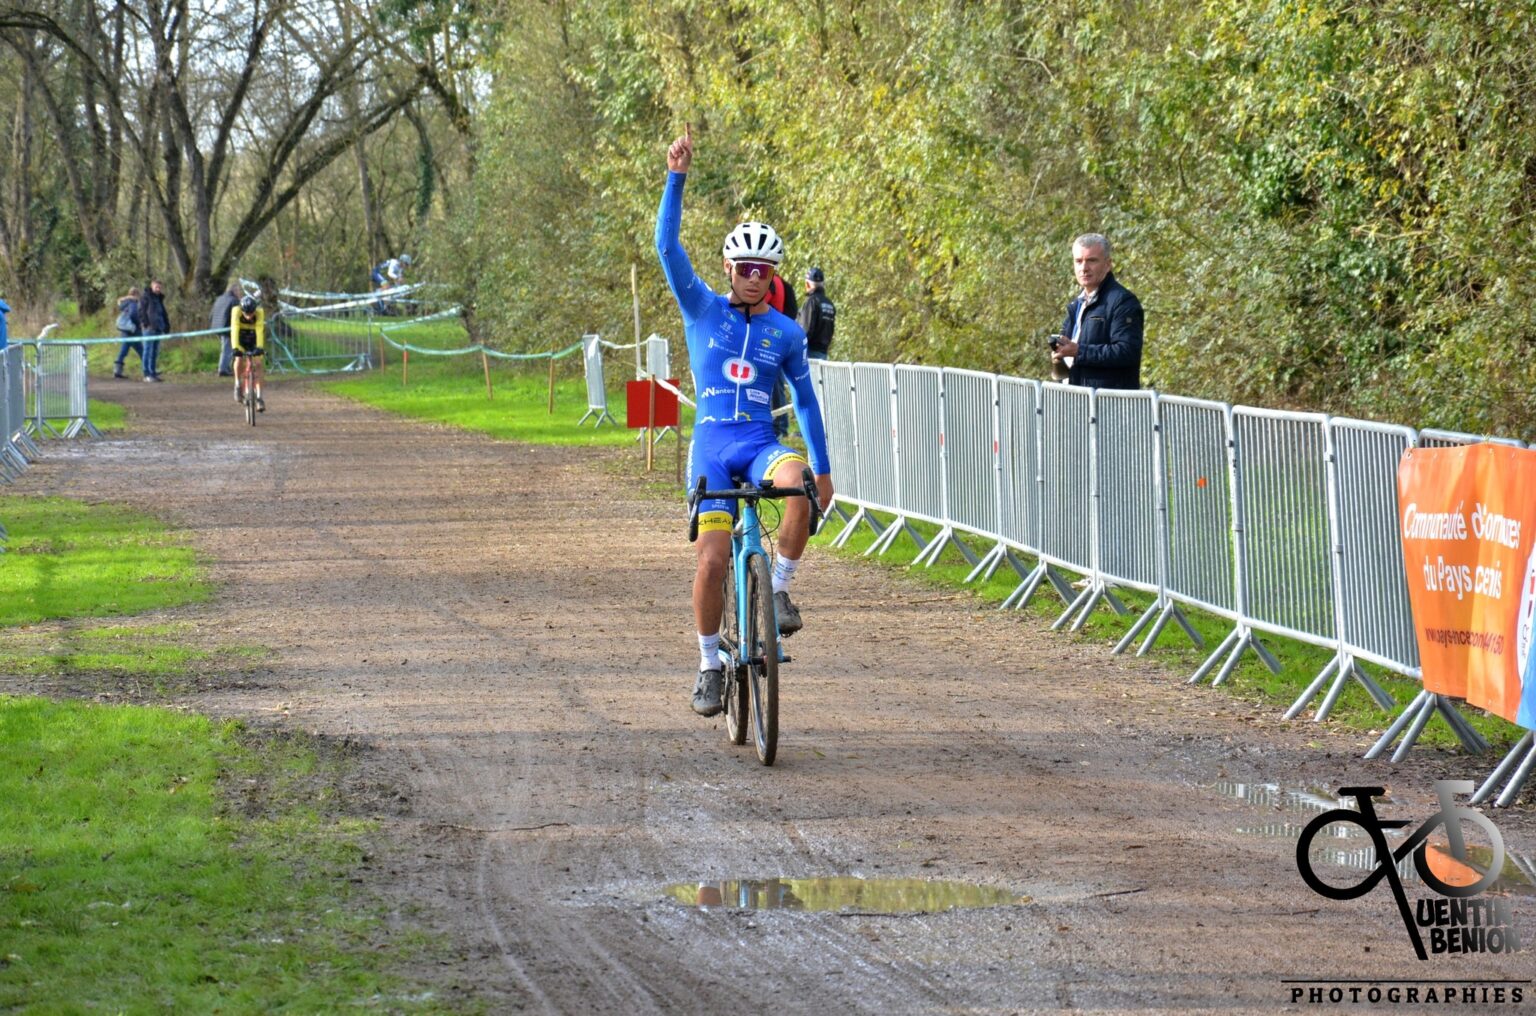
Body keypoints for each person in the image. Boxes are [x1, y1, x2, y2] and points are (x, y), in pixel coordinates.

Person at [656, 128, 834, 718]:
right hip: (712, 447)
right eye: (745, 266)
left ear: (773, 274)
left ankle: (777, 590)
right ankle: (709, 663)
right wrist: (676, 177)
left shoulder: (786, 332)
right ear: (728, 268)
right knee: (711, 560)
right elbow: (666, 247)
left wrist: (823, 469)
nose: (754, 276)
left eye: (764, 268)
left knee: (799, 485)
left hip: (759, 444)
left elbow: (805, 403)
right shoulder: (702, 308)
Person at [1052, 233, 1143, 390]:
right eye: (1078, 261)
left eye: (1092, 260)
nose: (1084, 268)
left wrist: (1078, 351)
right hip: (1075, 396)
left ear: (1108, 264)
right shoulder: (1076, 304)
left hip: (1109, 401)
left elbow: (1127, 352)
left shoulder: (1123, 301)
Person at [765, 271, 798, 437]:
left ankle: (779, 426)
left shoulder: (773, 282)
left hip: (772, 337)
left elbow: (759, 304)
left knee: (775, 383)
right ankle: (779, 425)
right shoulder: (779, 282)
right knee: (775, 382)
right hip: (777, 335)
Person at [229, 294, 266, 412]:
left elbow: (259, 330)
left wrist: (259, 347)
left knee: (258, 363)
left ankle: (259, 397)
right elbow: (234, 329)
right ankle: (237, 384)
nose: (249, 316)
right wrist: (235, 348)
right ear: (242, 310)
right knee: (239, 359)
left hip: (253, 339)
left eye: (251, 313)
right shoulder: (236, 311)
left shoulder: (259, 312)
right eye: (247, 314)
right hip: (241, 339)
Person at [797, 267, 836, 360]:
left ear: (807, 284)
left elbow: (806, 329)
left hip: (809, 352)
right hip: (823, 352)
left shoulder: (811, 302)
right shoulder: (829, 303)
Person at [137, 279, 170, 382]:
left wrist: (166, 325)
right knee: (147, 351)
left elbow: (163, 313)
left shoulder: (159, 298)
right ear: (152, 287)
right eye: (156, 287)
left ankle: (153, 373)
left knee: (155, 352)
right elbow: (141, 311)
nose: (158, 289)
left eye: (159, 287)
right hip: (149, 328)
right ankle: (146, 374)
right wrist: (145, 323)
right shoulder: (145, 297)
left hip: (158, 328)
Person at [112, 286, 145, 379]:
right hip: (133, 330)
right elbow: (133, 314)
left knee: (128, 350)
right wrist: (139, 323)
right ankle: (148, 370)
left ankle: (117, 370)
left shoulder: (125, 303)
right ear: (137, 294)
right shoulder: (133, 303)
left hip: (125, 330)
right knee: (138, 350)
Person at [212, 280, 243, 377]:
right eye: (238, 291)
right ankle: (223, 369)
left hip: (216, 326)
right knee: (227, 349)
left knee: (226, 348)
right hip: (226, 327)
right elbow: (237, 315)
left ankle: (227, 367)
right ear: (234, 291)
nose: (239, 293)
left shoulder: (219, 298)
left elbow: (212, 314)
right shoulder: (234, 300)